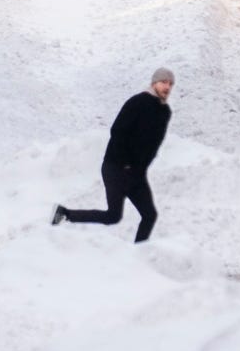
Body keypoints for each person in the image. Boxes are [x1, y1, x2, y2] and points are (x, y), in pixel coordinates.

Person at [53, 70, 173, 243]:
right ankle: (64, 214)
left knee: (149, 215)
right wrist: (125, 163)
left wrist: (141, 166)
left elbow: (153, 142)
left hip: (137, 174)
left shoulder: (164, 111)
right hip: (116, 168)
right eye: (163, 82)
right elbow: (117, 131)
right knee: (113, 215)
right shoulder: (138, 102)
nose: (167, 87)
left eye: (170, 84)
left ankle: (137, 255)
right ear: (154, 83)